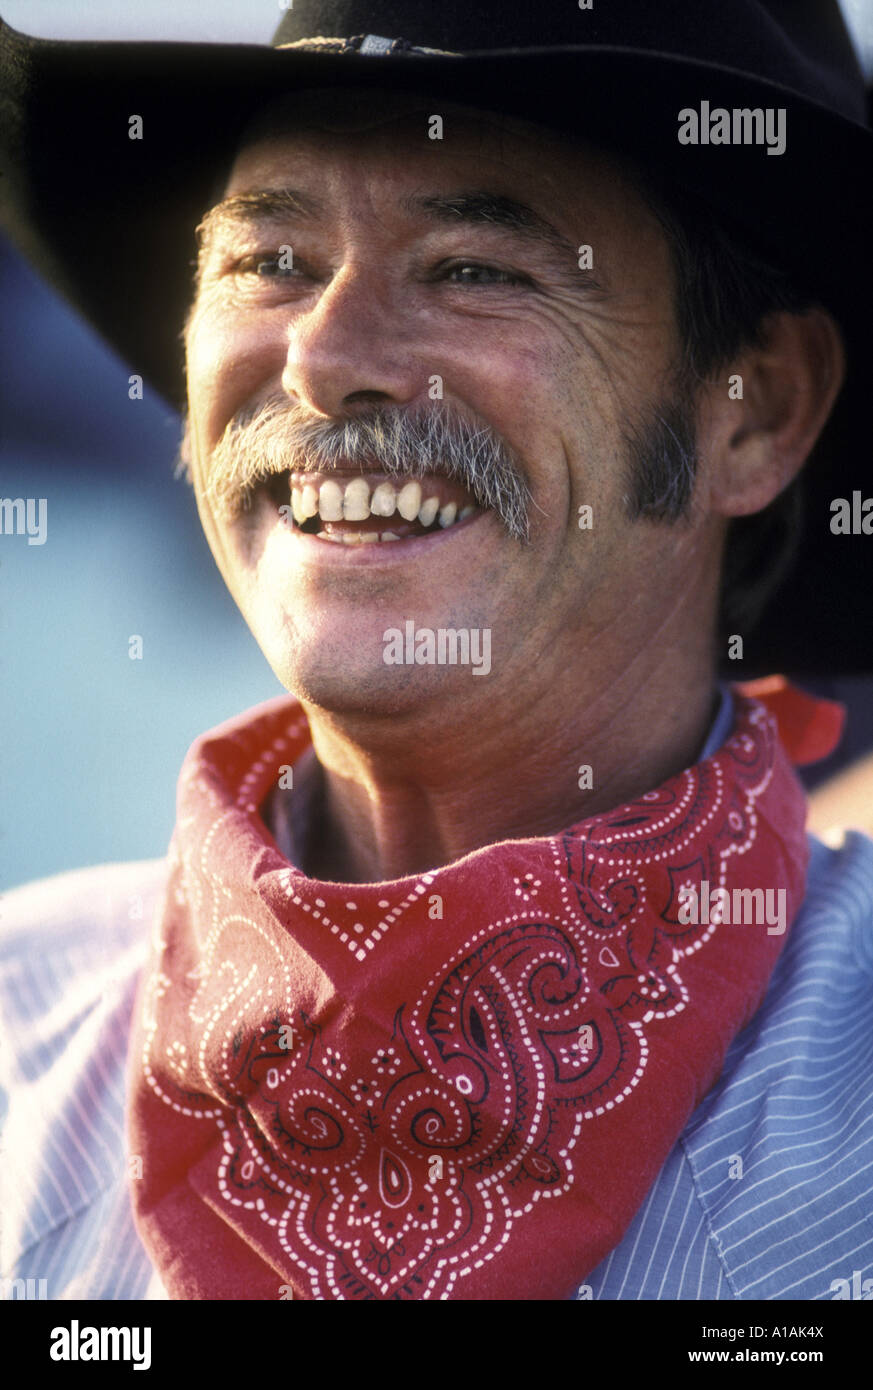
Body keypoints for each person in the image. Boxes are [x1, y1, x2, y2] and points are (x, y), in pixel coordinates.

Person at [1, 0, 872, 1303]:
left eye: (474, 268)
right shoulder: (21, 1021)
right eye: (269, 259)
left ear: (755, 411)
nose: (323, 357)